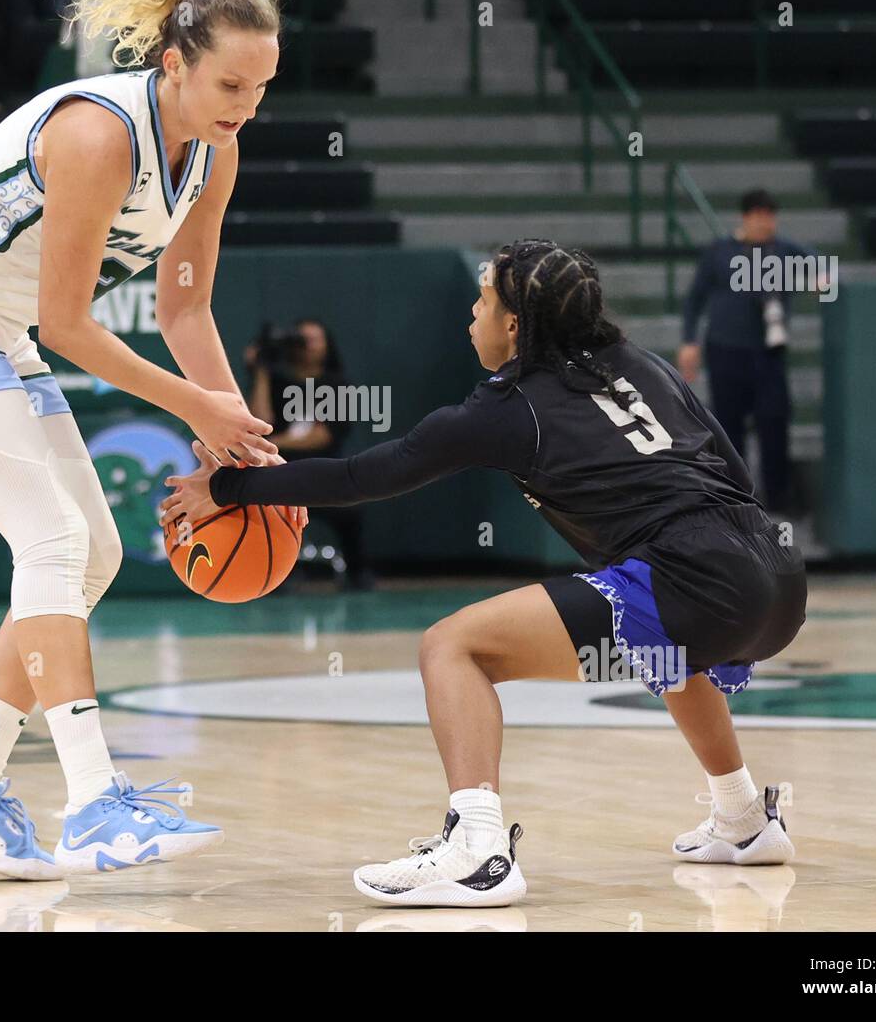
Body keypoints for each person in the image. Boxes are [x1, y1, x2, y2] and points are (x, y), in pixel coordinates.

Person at [161, 240, 807, 908]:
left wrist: (231, 488)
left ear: (514, 326)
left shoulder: (511, 408)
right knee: (668, 645)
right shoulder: (641, 364)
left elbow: (366, 475)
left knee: (452, 645)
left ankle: (476, 850)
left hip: (699, 576)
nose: (472, 314)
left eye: (483, 300)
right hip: (778, 576)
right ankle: (743, 819)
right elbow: (734, 472)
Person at [0, 0, 306, 879]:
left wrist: (234, 434)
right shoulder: (98, 133)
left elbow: (184, 309)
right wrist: (203, 410)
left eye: (261, 90)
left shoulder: (214, 156)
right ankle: (96, 802)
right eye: (231, 85)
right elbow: (68, 323)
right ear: (172, 63)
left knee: (92, 551)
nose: (245, 107)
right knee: (52, 541)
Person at [677, 189, 810, 514]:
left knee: (774, 424)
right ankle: (735, 500)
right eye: (760, 216)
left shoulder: (785, 251)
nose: (766, 223)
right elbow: (695, 300)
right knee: (729, 427)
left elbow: (822, 268)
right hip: (726, 351)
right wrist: (689, 341)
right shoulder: (720, 252)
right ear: (746, 217)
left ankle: (777, 500)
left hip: (768, 354)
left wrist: (816, 279)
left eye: (770, 216)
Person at [245, 317, 374, 590]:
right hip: (279, 471)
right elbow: (259, 418)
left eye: (316, 339)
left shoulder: (338, 385)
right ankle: (270, 575)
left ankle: (358, 573)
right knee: (259, 507)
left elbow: (322, 436)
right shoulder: (278, 382)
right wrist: (261, 371)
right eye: (302, 339)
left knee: (351, 510)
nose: (309, 346)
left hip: (324, 470)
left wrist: (272, 442)